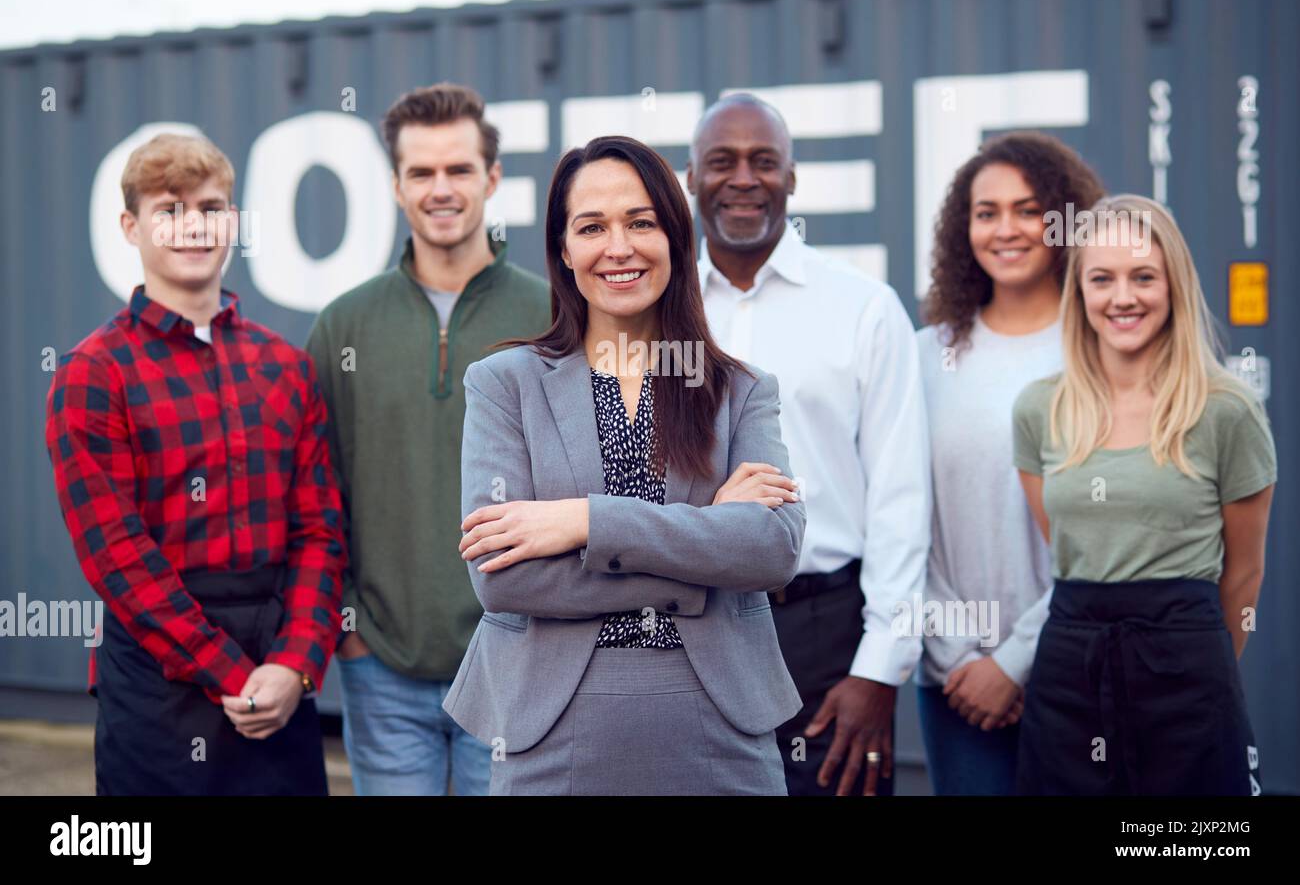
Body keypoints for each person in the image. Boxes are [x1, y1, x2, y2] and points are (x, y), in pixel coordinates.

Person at [443, 134, 806, 795]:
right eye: (592, 227)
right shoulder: (504, 385)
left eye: (640, 222)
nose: (618, 247)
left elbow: (771, 550)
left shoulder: (743, 389)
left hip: (722, 735)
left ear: (673, 235)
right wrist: (704, 551)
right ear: (562, 247)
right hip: (551, 733)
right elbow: (503, 581)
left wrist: (584, 521)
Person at [44, 133, 345, 795]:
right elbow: (118, 557)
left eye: (209, 207)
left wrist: (295, 666)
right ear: (131, 226)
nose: (192, 226)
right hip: (157, 687)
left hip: (277, 678)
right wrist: (230, 674)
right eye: (168, 209)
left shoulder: (285, 369)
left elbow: (320, 532)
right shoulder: (94, 374)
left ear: (231, 220)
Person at [306, 83, 550, 795]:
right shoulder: (344, 325)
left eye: (459, 169)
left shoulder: (551, 317)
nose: (441, 189)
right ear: (396, 185)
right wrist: (349, 632)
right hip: (381, 668)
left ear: (492, 178)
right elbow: (315, 494)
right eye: (422, 172)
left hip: (513, 663)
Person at [687, 93, 931, 795]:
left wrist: (877, 669)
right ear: (691, 178)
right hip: (688, 625)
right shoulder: (657, 309)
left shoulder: (863, 307)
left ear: (791, 179)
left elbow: (900, 498)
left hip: (825, 636)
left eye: (764, 162)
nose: (743, 179)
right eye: (721, 162)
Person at [1013, 194, 1275, 795]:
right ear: (1079, 293)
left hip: (1188, 672)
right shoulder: (1039, 409)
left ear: (1174, 284)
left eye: (1143, 277)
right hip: (1068, 670)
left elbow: (1244, 575)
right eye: (1102, 278)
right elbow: (1070, 544)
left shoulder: (1227, 410)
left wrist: (1192, 665)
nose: (1123, 297)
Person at [915, 131, 1105, 794]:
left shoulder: (1101, 352)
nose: (1007, 229)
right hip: (956, 683)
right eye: (986, 211)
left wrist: (1017, 661)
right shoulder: (924, 357)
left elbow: (1116, 535)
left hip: (1081, 671)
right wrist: (960, 658)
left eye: (1029, 210)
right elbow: (905, 523)